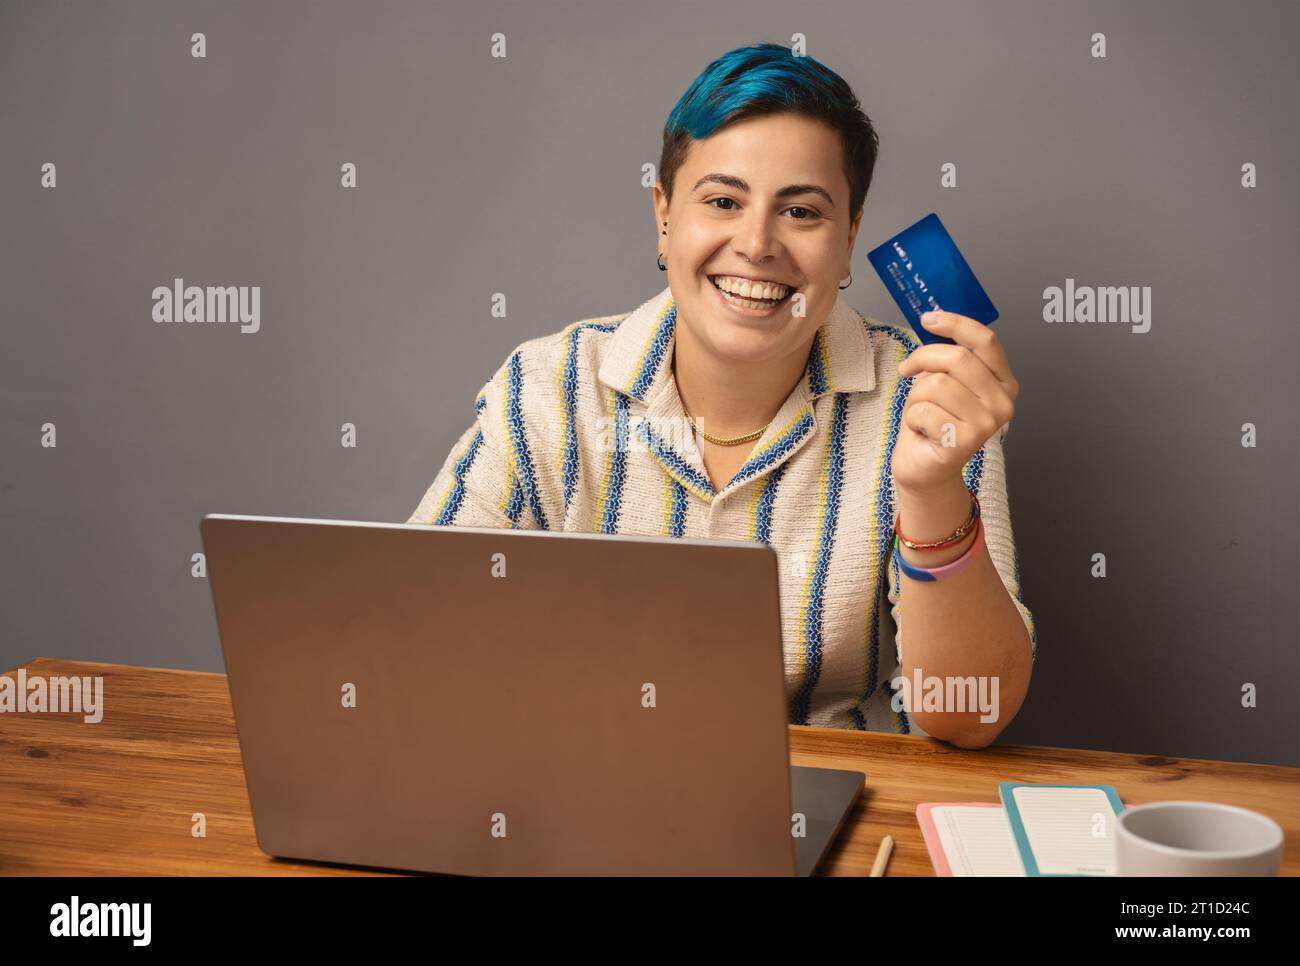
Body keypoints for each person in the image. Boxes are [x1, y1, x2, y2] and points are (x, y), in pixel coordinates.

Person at [407, 42, 1035, 747]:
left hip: (834, 802)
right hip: (581, 786)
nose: (757, 243)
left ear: (849, 236)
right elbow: (418, 638)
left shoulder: (927, 403)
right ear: (665, 216)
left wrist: (931, 489)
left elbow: (969, 715)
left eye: (801, 212)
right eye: (723, 201)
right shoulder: (547, 387)